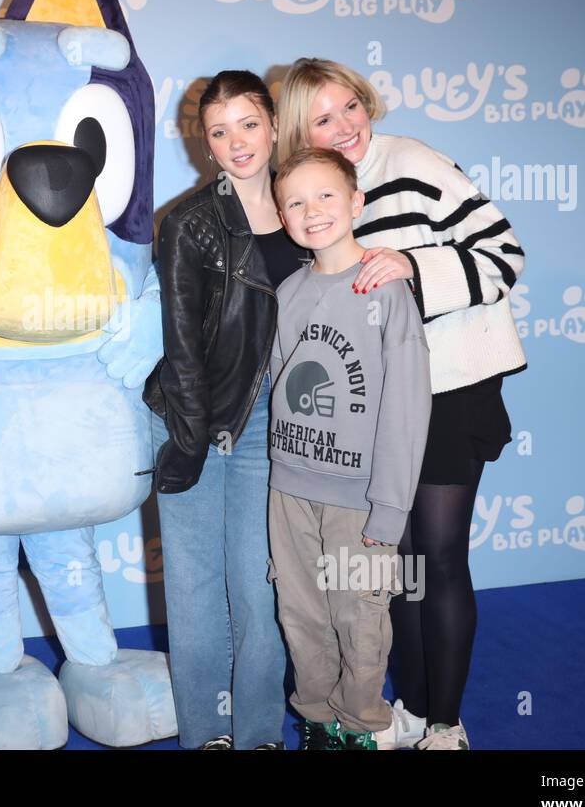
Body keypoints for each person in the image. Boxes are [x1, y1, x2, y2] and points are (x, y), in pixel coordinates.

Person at [276, 58, 528, 750]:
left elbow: (505, 253)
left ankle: (445, 724)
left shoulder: (412, 158)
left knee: (439, 555)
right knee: (401, 560)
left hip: (452, 383)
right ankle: (410, 709)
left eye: (351, 106)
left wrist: (416, 266)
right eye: (323, 117)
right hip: (381, 405)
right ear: (301, 128)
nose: (345, 125)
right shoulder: (316, 186)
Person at [143, 70, 309, 750]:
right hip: (195, 415)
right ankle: (207, 735)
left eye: (247, 124)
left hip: (274, 418)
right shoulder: (188, 222)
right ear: (205, 145)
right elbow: (180, 344)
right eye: (219, 131)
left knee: (260, 582)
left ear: (272, 124)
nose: (236, 142)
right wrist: (193, 436)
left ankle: (261, 733)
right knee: (195, 587)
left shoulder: (307, 207)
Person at [266, 147, 430, 750]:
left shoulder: (385, 292)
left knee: (359, 617)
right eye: (295, 202)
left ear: (357, 201)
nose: (312, 212)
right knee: (301, 616)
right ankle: (318, 721)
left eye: (326, 196)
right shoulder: (287, 293)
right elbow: (280, 390)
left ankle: (363, 726)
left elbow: (408, 408)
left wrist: (389, 509)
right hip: (289, 493)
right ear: (282, 216)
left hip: (359, 501)